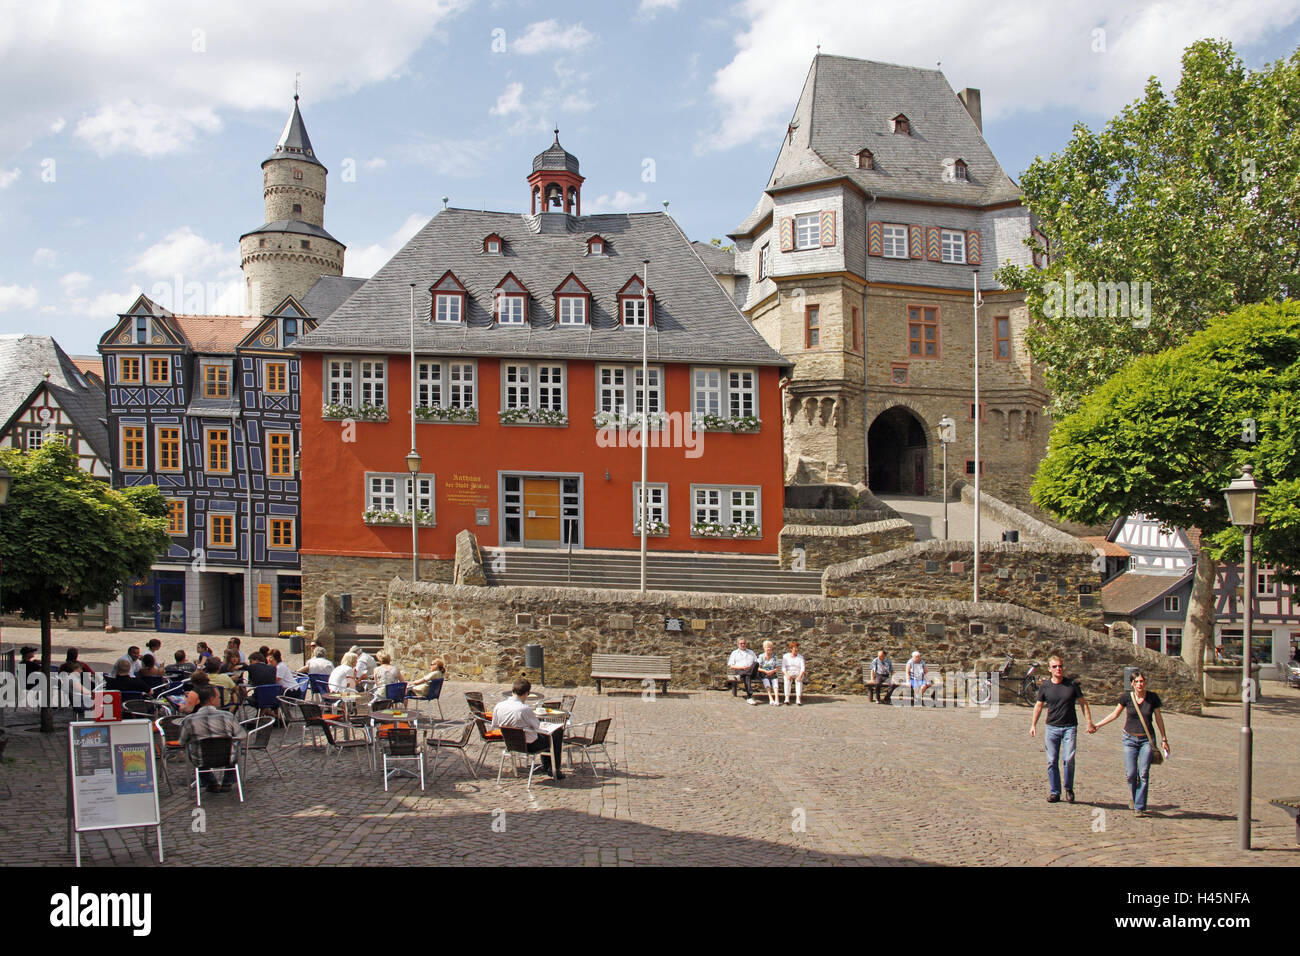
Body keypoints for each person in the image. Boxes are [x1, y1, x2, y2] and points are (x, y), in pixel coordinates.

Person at [1091, 670, 1169, 816]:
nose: (1140, 684)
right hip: (1129, 739)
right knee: (1131, 774)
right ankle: (1135, 798)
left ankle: (1139, 807)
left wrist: (1164, 739)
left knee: (1144, 773)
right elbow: (1115, 714)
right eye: (1137, 682)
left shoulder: (1153, 698)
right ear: (1132, 684)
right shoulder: (1126, 697)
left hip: (1147, 740)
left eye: (1142, 681)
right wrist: (1098, 725)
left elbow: (1158, 718)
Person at [1029, 655, 1096, 804]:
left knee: (1068, 759)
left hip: (1069, 727)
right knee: (1052, 761)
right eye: (1055, 667)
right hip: (1052, 727)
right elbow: (1039, 705)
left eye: (1060, 666)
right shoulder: (1045, 686)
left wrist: (1089, 722)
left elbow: (1083, 703)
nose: (1058, 669)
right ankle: (1055, 791)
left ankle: (1068, 788)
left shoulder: (1071, 685)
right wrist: (1033, 724)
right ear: (1049, 669)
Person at [178, 684, 248, 793]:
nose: (221, 700)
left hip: (201, 759)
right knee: (236, 745)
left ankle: (210, 782)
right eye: (219, 698)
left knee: (193, 747)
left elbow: (182, 741)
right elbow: (242, 735)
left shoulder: (189, 720)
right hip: (228, 757)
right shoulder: (227, 716)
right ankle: (227, 781)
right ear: (211, 699)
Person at [490, 677, 563, 779]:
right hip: (529, 745)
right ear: (526, 693)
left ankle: (547, 765)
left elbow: (495, 724)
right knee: (557, 733)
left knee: (546, 735)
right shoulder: (524, 709)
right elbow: (537, 727)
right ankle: (554, 769)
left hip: (510, 743)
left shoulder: (499, 706)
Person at [727, 637, 759, 704]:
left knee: (756, 663)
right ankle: (749, 697)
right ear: (738, 644)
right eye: (741, 643)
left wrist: (749, 668)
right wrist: (741, 667)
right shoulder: (734, 653)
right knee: (747, 676)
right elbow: (731, 666)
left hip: (751, 671)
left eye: (744, 643)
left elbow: (756, 663)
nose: (743, 645)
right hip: (740, 670)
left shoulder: (751, 652)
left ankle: (741, 675)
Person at [756, 641, 782, 706]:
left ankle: (776, 699)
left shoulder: (774, 657)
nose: (768, 649)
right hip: (764, 673)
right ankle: (770, 698)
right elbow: (758, 668)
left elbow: (777, 668)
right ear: (764, 648)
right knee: (766, 682)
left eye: (770, 647)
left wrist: (772, 671)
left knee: (775, 683)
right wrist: (766, 671)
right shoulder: (761, 656)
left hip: (772, 673)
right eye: (767, 647)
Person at [782, 640, 807, 706]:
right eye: (795, 648)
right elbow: (783, 667)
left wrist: (800, 676)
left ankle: (798, 699)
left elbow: (802, 668)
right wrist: (787, 675)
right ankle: (787, 698)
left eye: (797, 648)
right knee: (787, 680)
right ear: (791, 649)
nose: (796, 649)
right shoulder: (785, 656)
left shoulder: (800, 657)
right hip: (789, 673)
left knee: (799, 681)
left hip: (798, 673)